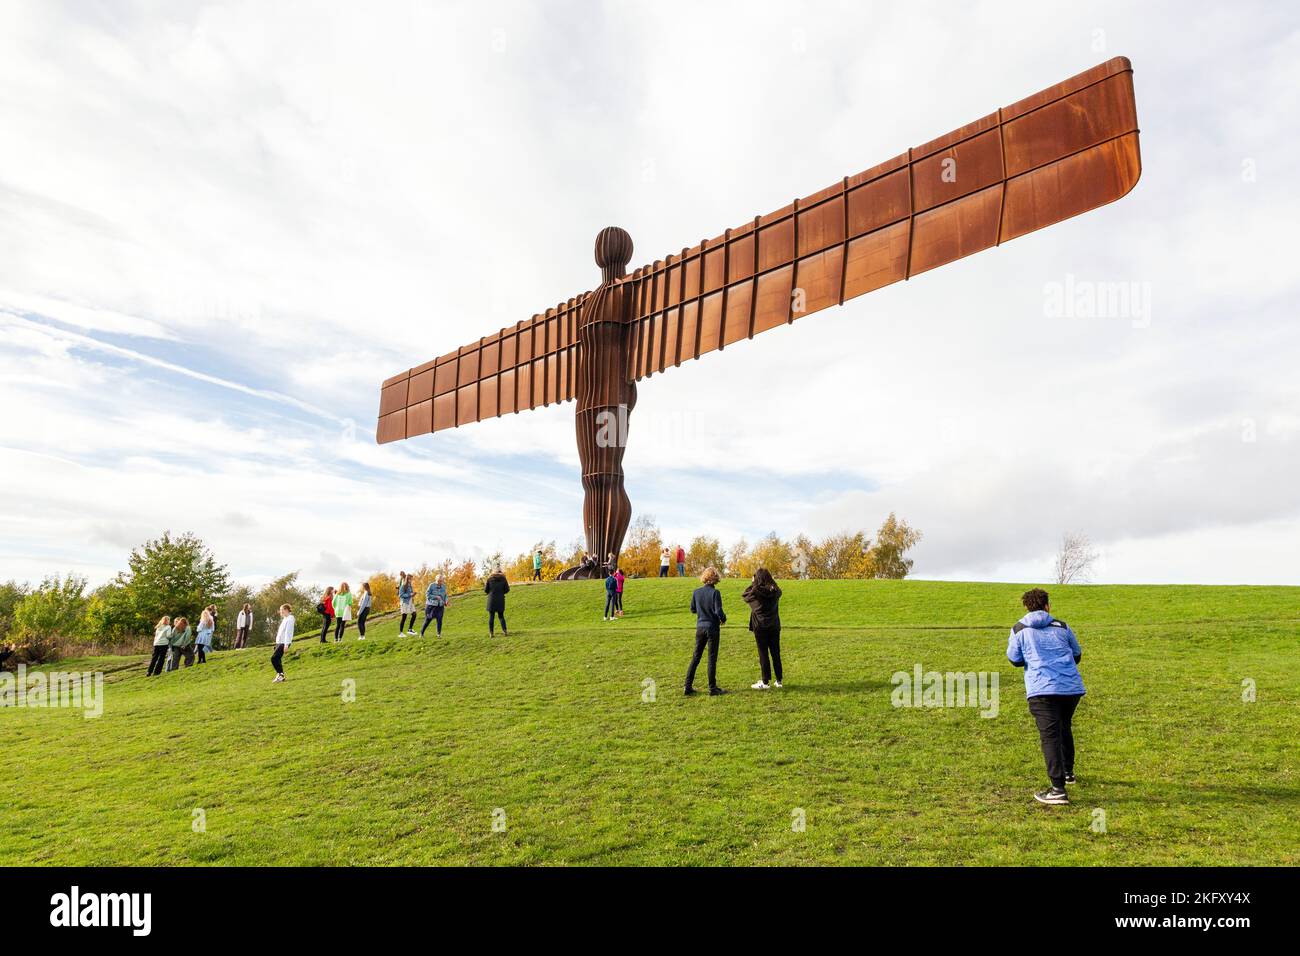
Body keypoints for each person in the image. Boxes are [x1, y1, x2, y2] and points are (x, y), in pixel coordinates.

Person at [1007, 588, 1085, 806]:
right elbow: (1077, 654)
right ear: (1047, 606)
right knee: (1064, 726)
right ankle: (1068, 772)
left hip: (1041, 689)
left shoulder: (1019, 629)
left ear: (1026, 607)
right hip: (1070, 688)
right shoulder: (1062, 627)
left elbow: (1014, 659)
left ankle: (1057, 789)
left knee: (1049, 736)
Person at [685, 567, 727, 696]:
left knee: (696, 657)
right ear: (715, 578)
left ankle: (687, 686)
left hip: (700, 627)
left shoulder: (696, 592)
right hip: (712, 628)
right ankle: (712, 688)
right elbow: (718, 611)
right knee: (711, 658)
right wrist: (723, 619)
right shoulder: (715, 593)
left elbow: (692, 609)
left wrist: (702, 611)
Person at [742, 568, 783, 689]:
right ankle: (779, 680)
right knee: (776, 652)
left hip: (760, 626)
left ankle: (765, 682)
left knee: (763, 653)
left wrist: (753, 583)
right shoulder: (775, 591)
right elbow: (777, 589)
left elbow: (745, 594)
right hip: (774, 625)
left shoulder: (755, 593)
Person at [271, 603, 294, 683]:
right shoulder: (285, 619)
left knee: (274, 658)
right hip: (279, 642)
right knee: (277, 659)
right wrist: (277, 643)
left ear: (286, 610)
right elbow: (281, 632)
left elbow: (288, 632)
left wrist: (286, 645)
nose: (280, 612)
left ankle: (281, 675)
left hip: (284, 642)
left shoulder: (290, 619)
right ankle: (280, 675)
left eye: (282, 610)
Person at [484, 566, 509, 637]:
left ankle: (491, 633)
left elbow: (486, 590)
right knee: (501, 616)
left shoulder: (489, 579)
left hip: (491, 600)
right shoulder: (504, 579)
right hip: (500, 600)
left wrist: (490, 592)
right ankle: (505, 631)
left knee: (491, 617)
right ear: (500, 571)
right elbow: (507, 590)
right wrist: (501, 592)